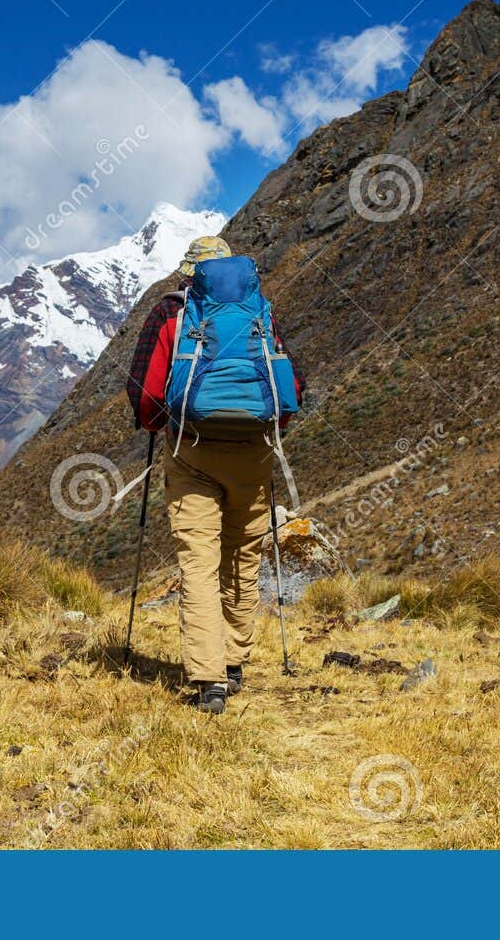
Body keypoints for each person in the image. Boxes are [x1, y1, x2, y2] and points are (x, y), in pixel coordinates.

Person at [126, 236, 305, 713]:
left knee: (199, 563)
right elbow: (291, 385)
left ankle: (209, 682)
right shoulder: (259, 312)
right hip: (253, 454)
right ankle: (234, 660)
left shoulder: (171, 313)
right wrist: (267, 429)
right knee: (243, 557)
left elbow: (143, 388)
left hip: (192, 453)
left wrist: (158, 424)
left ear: (191, 273)